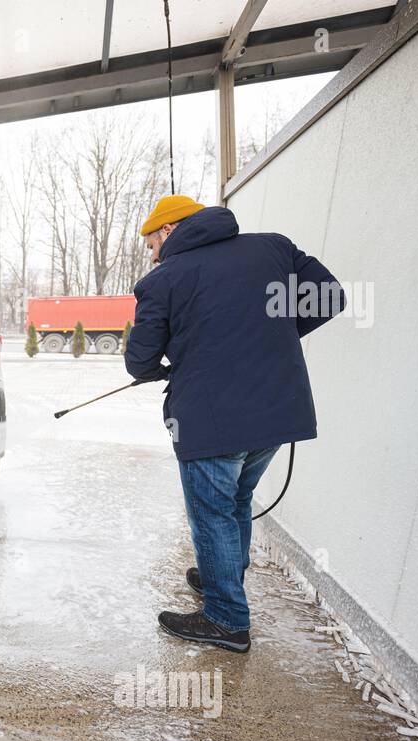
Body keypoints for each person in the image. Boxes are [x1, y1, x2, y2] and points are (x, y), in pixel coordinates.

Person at [126, 195, 344, 653]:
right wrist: (269, 337)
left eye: (151, 243)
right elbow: (330, 296)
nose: (152, 254)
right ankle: (219, 578)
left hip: (209, 418)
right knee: (237, 498)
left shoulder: (163, 280)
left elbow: (140, 361)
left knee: (212, 512)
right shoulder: (272, 248)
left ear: (169, 230)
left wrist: (179, 360)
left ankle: (226, 619)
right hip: (276, 407)